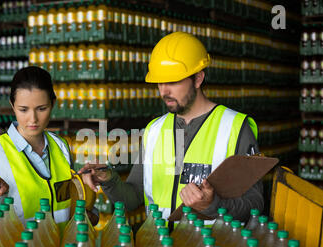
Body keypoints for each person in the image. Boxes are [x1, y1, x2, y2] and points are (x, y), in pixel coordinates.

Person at [79, 32, 264, 227]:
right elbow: (132, 198)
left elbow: (255, 205)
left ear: (198, 78)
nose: (163, 91)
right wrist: (108, 180)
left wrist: (213, 205)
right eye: (160, 82)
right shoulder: (155, 131)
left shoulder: (234, 128)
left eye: (173, 82)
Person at [0, 66, 98, 231]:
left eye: (41, 109)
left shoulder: (61, 146)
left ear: (53, 104)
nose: (33, 119)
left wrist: (89, 207)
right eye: (23, 110)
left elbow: (68, 202)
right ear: (12, 105)